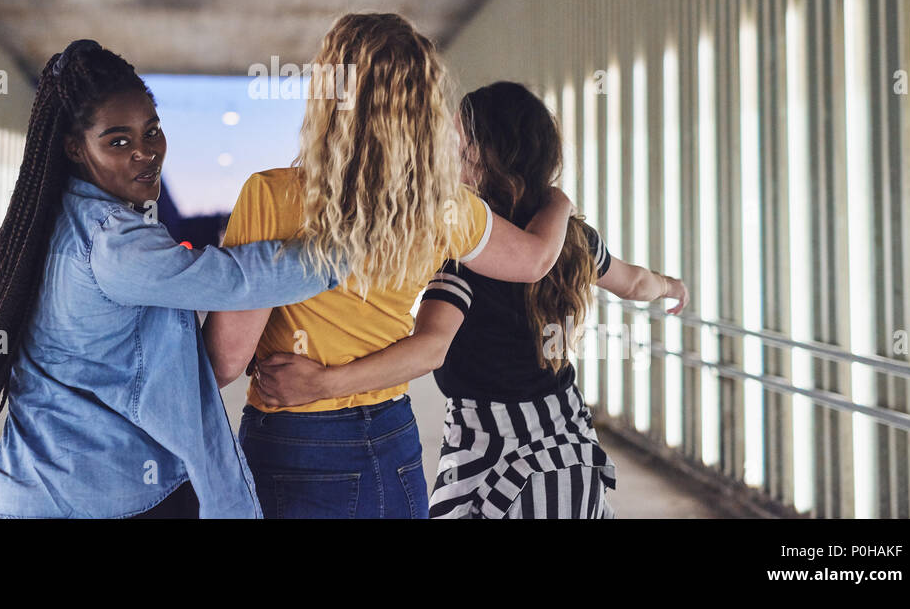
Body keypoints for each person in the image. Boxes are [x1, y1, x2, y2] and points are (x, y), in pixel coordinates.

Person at [0, 39, 344, 518]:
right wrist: (351, 250)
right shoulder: (112, 243)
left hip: (27, 498)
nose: (145, 153)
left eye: (152, 132)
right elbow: (235, 280)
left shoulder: (52, 219)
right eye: (119, 141)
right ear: (75, 147)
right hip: (113, 498)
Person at [255, 80, 689, 518]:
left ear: (483, 155)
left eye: (459, 140)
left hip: (496, 447)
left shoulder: (469, 251)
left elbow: (431, 347)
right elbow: (635, 284)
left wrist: (323, 383)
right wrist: (672, 286)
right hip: (560, 438)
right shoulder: (573, 239)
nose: (448, 149)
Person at [203, 15, 574, 519]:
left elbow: (224, 362)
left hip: (297, 441)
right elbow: (534, 260)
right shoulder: (446, 209)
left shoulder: (272, 197)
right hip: (393, 436)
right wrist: (559, 198)